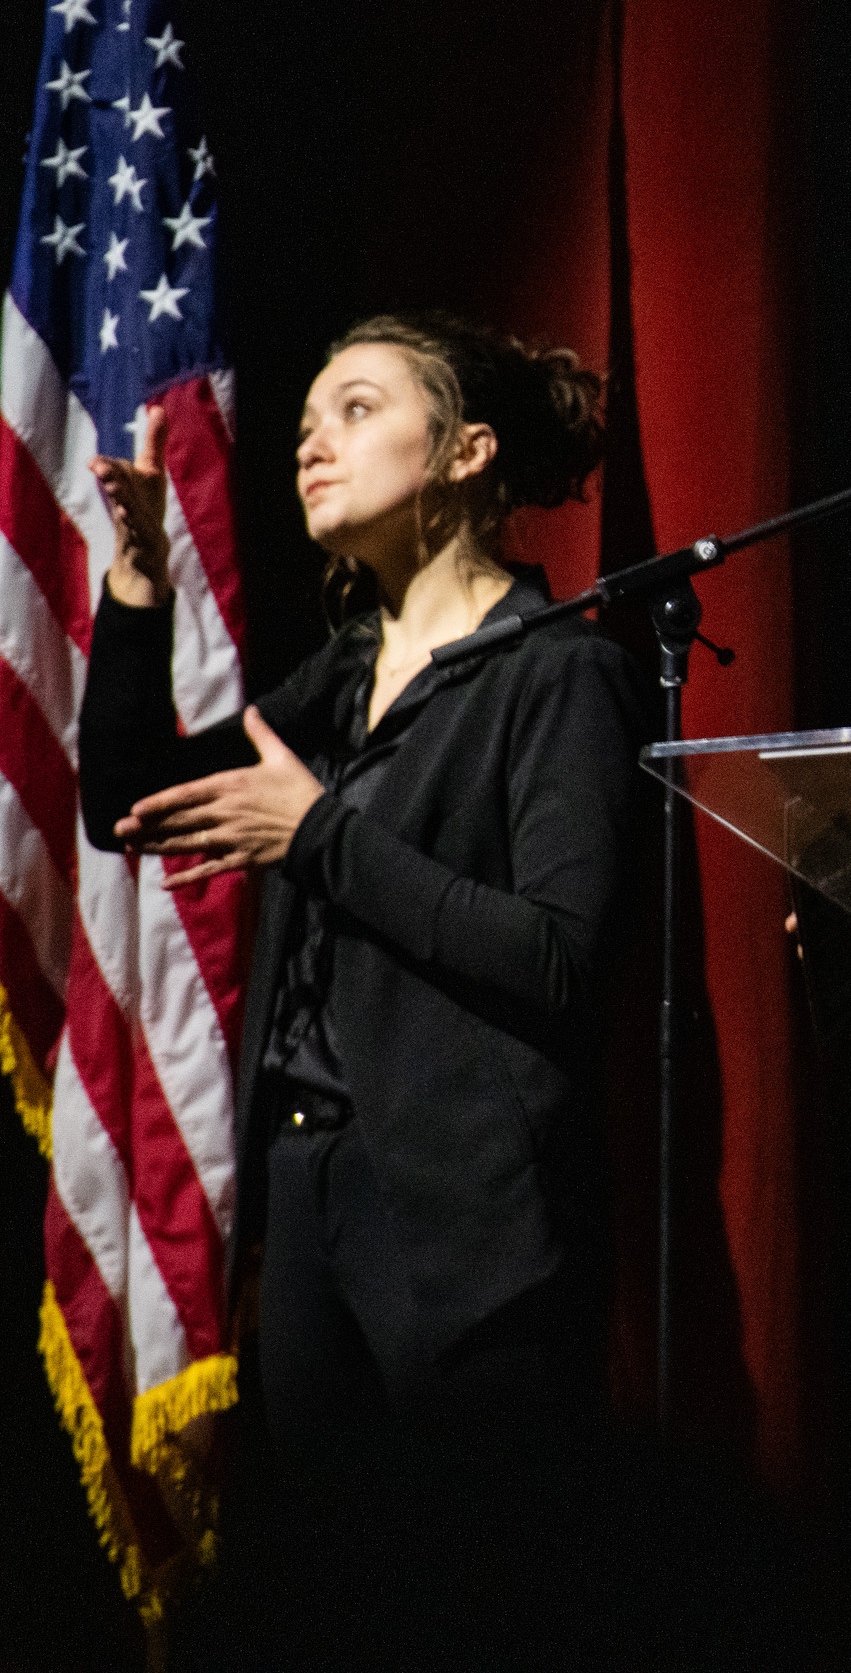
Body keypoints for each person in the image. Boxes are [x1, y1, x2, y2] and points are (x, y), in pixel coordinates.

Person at [79, 312, 642, 1658]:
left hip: (468, 1225)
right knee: (337, 1611)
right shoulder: (336, 685)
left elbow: (563, 956)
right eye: (304, 425)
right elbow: (125, 801)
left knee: (479, 1609)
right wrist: (140, 585)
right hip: (311, 1199)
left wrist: (320, 835)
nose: (311, 445)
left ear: (466, 453)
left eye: (357, 410)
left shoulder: (561, 672)